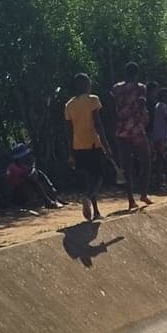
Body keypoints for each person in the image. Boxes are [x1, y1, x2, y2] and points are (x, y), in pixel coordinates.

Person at [65, 72, 111, 221]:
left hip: (78, 146)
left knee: (89, 178)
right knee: (99, 177)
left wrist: (70, 153)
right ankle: (88, 197)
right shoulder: (93, 100)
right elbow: (98, 123)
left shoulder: (69, 105)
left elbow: (68, 130)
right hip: (93, 144)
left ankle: (95, 211)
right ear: (86, 85)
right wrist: (106, 144)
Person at [111, 63, 152, 211]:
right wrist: (143, 117)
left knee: (126, 166)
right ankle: (143, 193)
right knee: (146, 161)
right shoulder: (141, 87)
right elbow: (142, 103)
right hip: (136, 128)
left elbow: (113, 107)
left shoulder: (116, 88)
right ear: (136, 74)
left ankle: (130, 199)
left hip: (121, 130)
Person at [149, 88, 167, 195]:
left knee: (164, 159)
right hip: (162, 137)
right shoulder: (162, 106)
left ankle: (166, 182)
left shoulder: (159, 106)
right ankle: (159, 183)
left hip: (161, 136)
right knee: (162, 159)